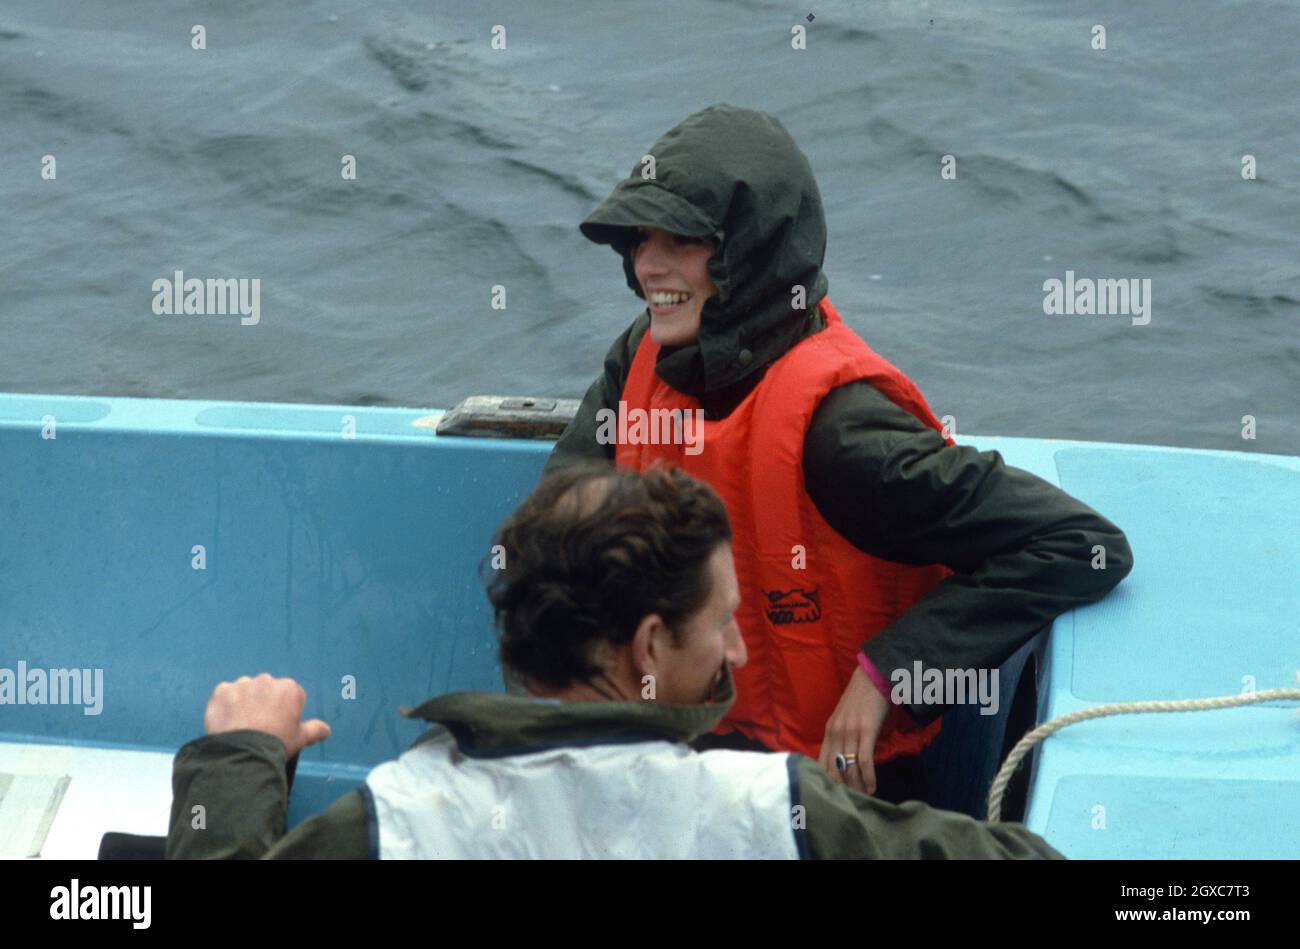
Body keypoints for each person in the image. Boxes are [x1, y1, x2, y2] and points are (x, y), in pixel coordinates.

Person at [542, 103, 1134, 803]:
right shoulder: (640, 361)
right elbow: (558, 533)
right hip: (674, 761)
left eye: (682, 240)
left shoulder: (843, 435)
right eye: (642, 238)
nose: (649, 265)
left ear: (752, 253)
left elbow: (1079, 543)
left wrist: (890, 669)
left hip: (833, 799)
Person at [165, 463, 1062, 859]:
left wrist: (239, 760)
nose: (741, 649)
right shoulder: (773, 812)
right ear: (647, 647)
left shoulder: (394, 819)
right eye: (722, 623)